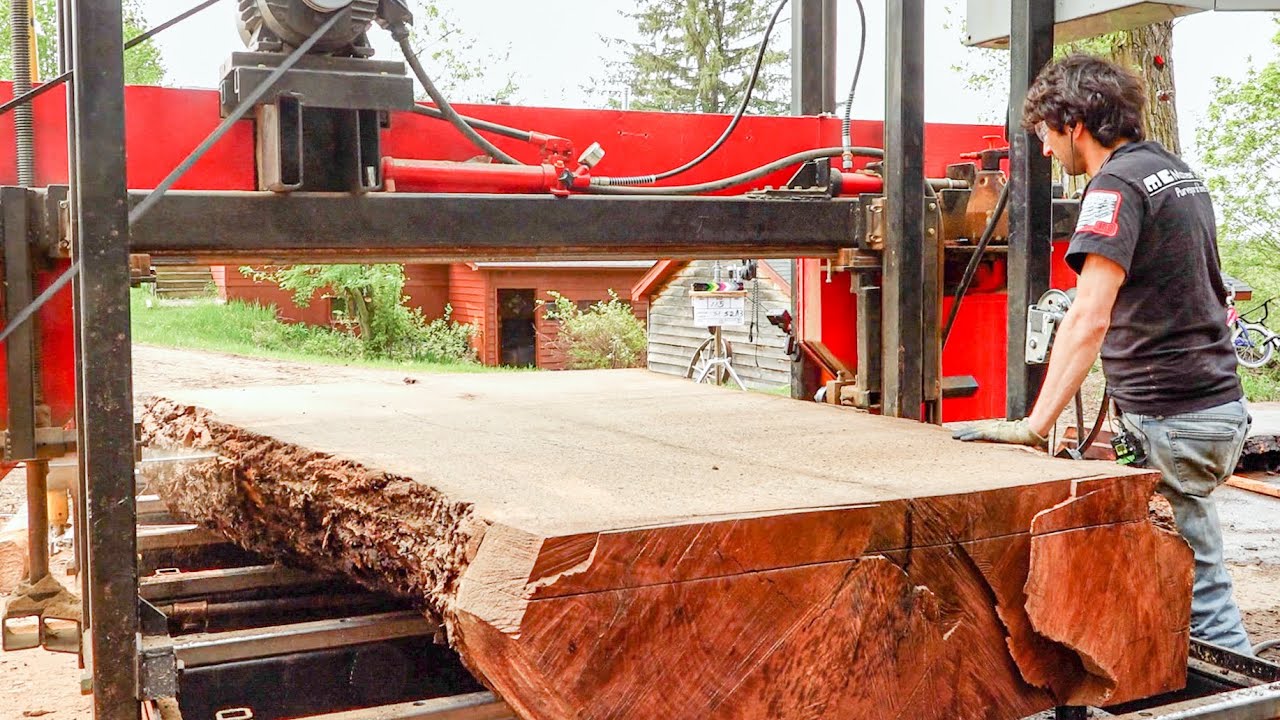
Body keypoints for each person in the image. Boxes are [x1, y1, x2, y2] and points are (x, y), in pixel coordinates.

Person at [953, 54, 1253, 655]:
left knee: (1196, 592)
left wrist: (1034, 427)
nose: (1043, 151)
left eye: (1044, 135)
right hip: (1215, 405)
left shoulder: (1112, 186)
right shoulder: (1173, 170)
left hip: (1170, 416)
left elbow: (1090, 316)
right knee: (1184, 567)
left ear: (1075, 124)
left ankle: (1236, 695)